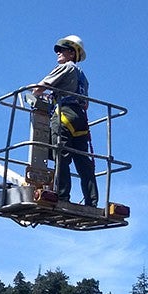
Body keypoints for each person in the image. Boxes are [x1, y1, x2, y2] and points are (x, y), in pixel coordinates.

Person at [33, 35, 97, 207]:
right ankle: (92, 201)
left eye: (62, 50)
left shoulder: (66, 67)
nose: (58, 53)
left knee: (61, 155)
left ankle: (62, 196)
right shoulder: (83, 76)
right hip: (81, 120)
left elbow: (38, 89)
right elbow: (86, 104)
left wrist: (35, 91)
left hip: (64, 115)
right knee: (83, 162)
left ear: (72, 53)